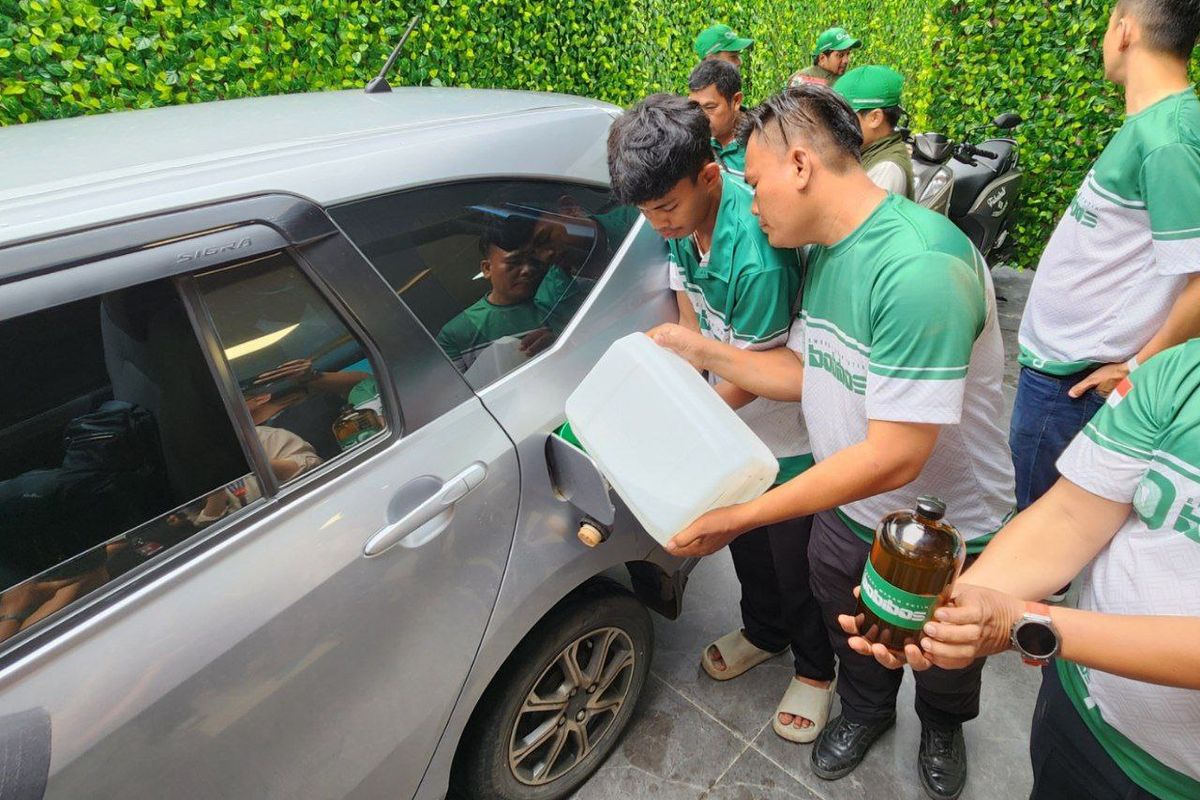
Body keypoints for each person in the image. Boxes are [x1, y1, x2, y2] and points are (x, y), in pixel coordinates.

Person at [649, 85, 1015, 799]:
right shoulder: (825, 252)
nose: (751, 204)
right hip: (848, 505)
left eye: (756, 184)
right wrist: (699, 349)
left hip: (941, 527)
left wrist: (742, 515)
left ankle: (942, 725)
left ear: (800, 166)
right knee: (853, 628)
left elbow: (896, 454)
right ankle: (865, 712)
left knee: (943, 650)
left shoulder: (918, 267)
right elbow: (802, 370)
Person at [845, 339, 1200, 800]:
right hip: (1083, 708)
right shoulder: (1181, 371)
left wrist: (1021, 624)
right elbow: (1069, 517)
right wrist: (947, 612)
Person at [608, 93, 836, 743]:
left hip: (784, 439)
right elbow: (690, 315)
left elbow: (759, 377)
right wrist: (690, 393)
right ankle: (764, 632)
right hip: (727, 422)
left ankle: (816, 670)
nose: (657, 224)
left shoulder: (758, 255)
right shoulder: (682, 227)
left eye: (665, 208)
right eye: (646, 213)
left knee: (796, 566)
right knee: (747, 548)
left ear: (709, 176)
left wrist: (692, 418)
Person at [1011, 0, 1200, 599]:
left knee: (1045, 553)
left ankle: (1040, 632)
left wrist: (1138, 367)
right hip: (1062, 377)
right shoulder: (1156, 126)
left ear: (1124, 29)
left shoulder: (1169, 138)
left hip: (1075, 386)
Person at [436, 215, 555, 371]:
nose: (528, 270)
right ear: (487, 269)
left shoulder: (558, 300)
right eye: (514, 262)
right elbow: (456, 387)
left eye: (534, 261)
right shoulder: (457, 332)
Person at [834, 65, 914, 198]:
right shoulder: (865, 152)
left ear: (875, 118)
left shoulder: (886, 170)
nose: (835, 125)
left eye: (843, 117)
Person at [688, 59, 748, 176]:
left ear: (736, 101)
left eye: (710, 107)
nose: (701, 116)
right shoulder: (689, 139)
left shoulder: (761, 143)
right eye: (695, 107)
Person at [789, 27, 861, 87]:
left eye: (848, 54)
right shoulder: (803, 79)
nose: (846, 60)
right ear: (822, 58)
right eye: (840, 55)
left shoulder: (849, 80)